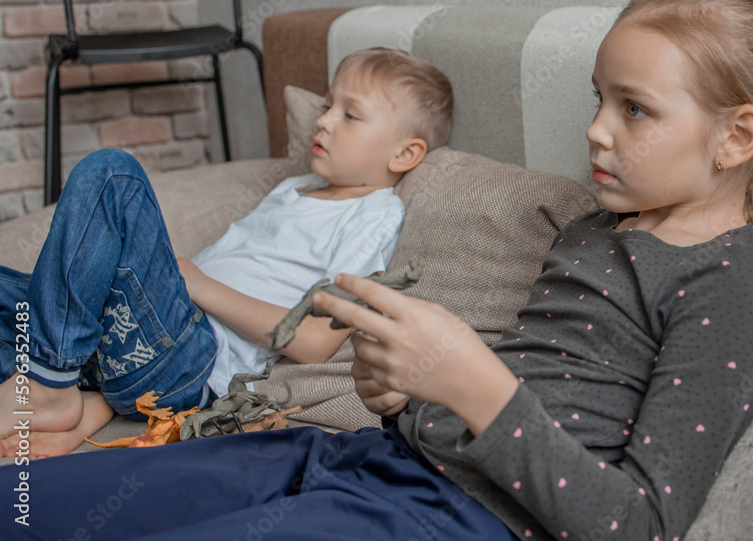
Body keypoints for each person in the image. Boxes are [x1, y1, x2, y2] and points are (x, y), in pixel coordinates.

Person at [0, 0, 753, 540]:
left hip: (452, 518)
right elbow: (479, 405)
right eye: (598, 99)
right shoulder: (591, 230)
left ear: (737, 136)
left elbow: (639, 522)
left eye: (634, 109)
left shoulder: (730, 284)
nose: (595, 129)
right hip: (363, 457)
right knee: (33, 506)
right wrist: (400, 394)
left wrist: (471, 382)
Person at [0, 47, 454, 459]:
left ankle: (47, 381)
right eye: (326, 105)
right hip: (134, 344)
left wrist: (198, 285)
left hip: (193, 359)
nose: (324, 121)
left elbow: (316, 341)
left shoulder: (373, 216)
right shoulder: (294, 188)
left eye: (350, 115)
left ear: (404, 154)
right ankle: (76, 397)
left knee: (112, 173)